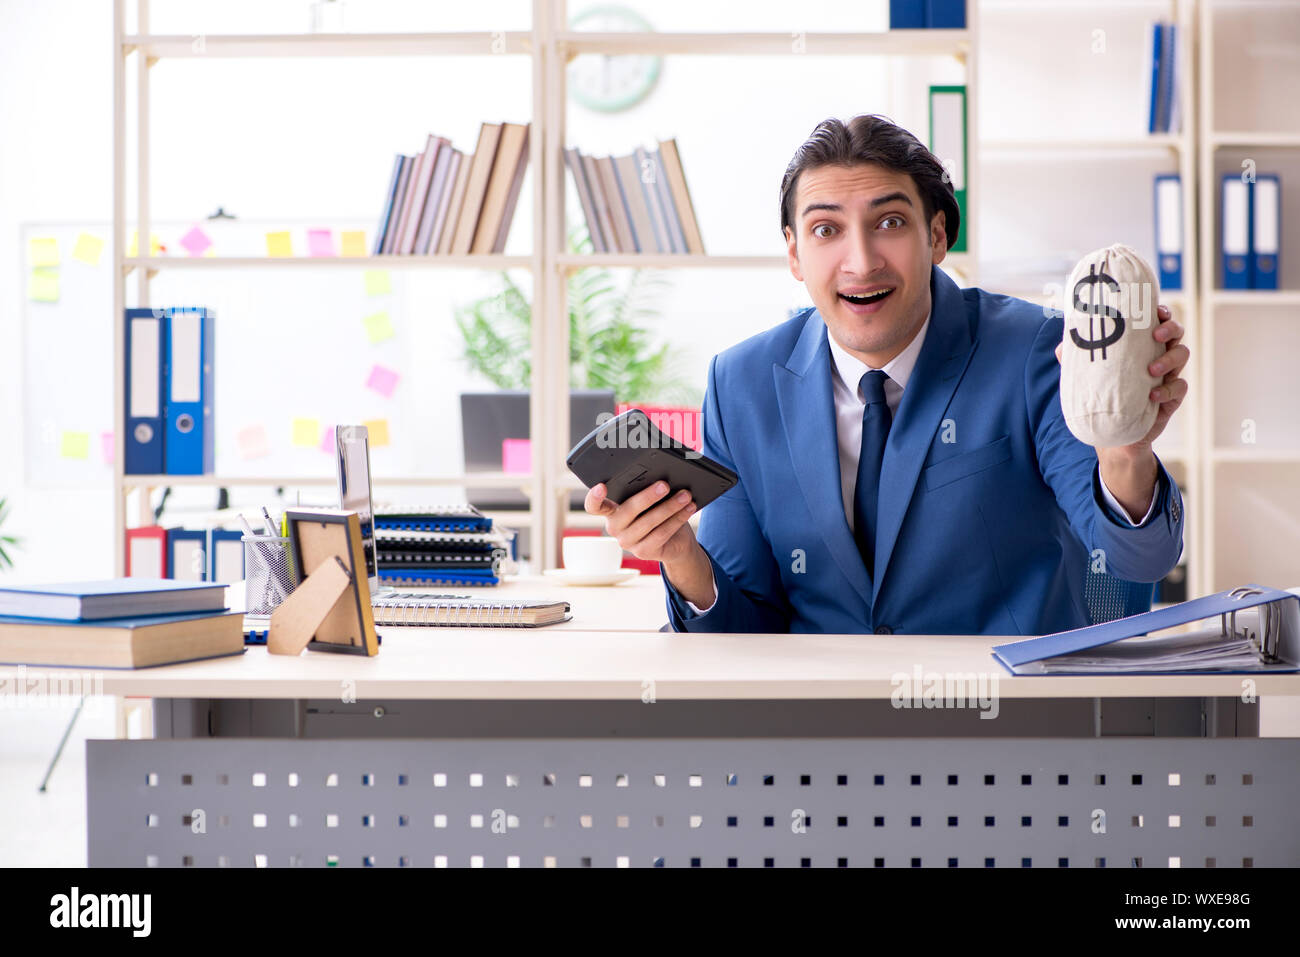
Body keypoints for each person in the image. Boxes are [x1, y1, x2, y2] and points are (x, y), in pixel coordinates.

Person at [584, 115, 1188, 635]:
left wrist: (1126, 452)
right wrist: (681, 555)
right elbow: (747, 630)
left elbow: (1136, 559)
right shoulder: (742, 384)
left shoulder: (1037, 351)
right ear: (795, 254)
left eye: (890, 223)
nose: (862, 260)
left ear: (937, 235)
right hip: (819, 740)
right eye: (826, 230)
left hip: (1002, 734)